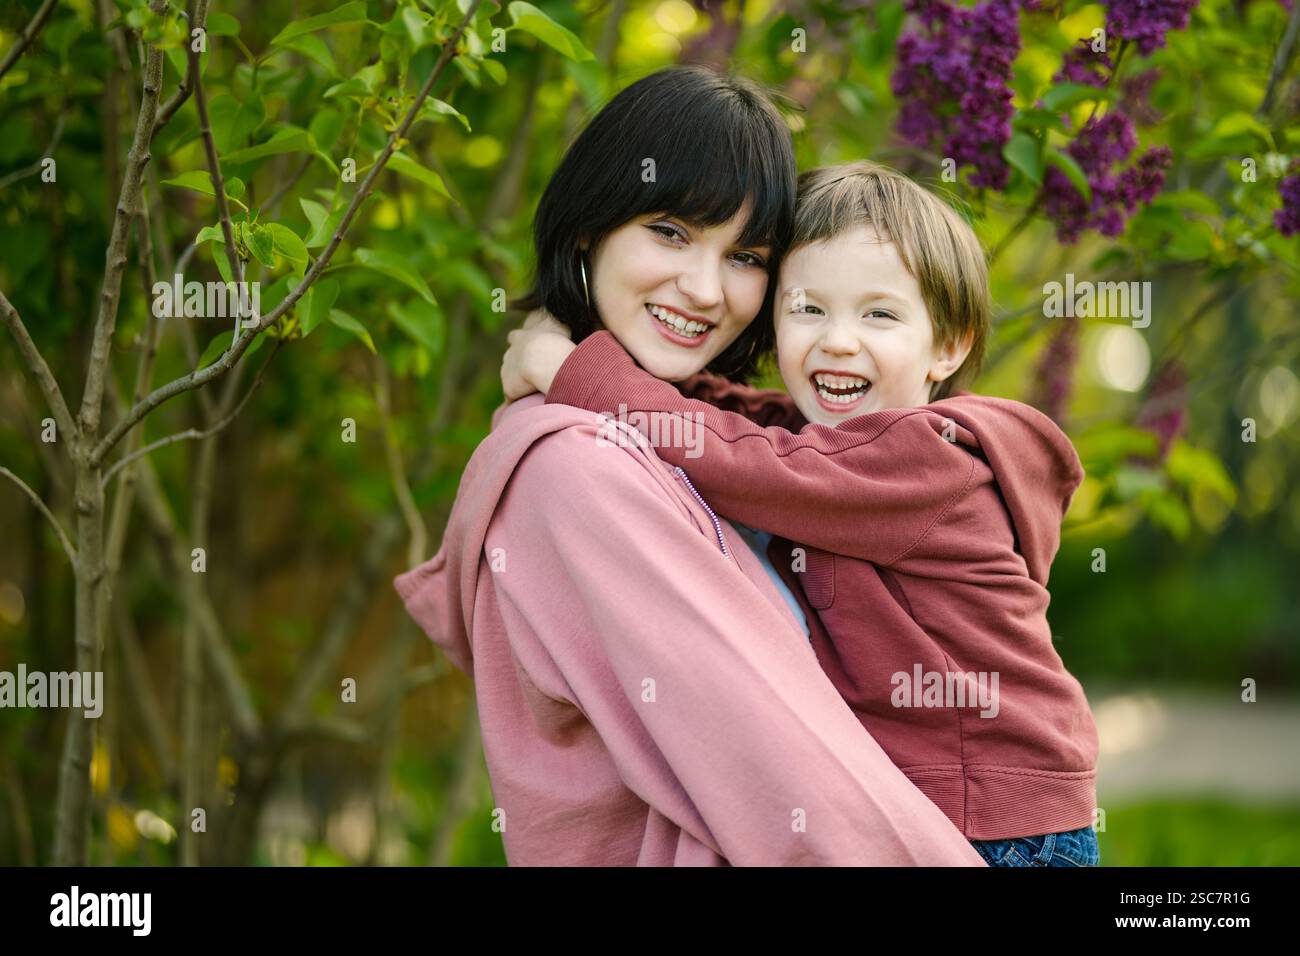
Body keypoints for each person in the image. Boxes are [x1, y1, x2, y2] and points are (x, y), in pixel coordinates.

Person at [395, 71, 986, 866]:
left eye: (744, 255)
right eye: (670, 231)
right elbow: (787, 775)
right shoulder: (578, 468)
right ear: (586, 230)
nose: (705, 290)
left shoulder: (661, 435)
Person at [503, 160, 1100, 867]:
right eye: (808, 309)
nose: (837, 340)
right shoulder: (841, 449)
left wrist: (570, 372)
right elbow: (737, 418)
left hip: (995, 821)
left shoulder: (927, 458)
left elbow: (741, 459)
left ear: (948, 345)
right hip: (945, 802)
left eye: (878, 314)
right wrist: (592, 339)